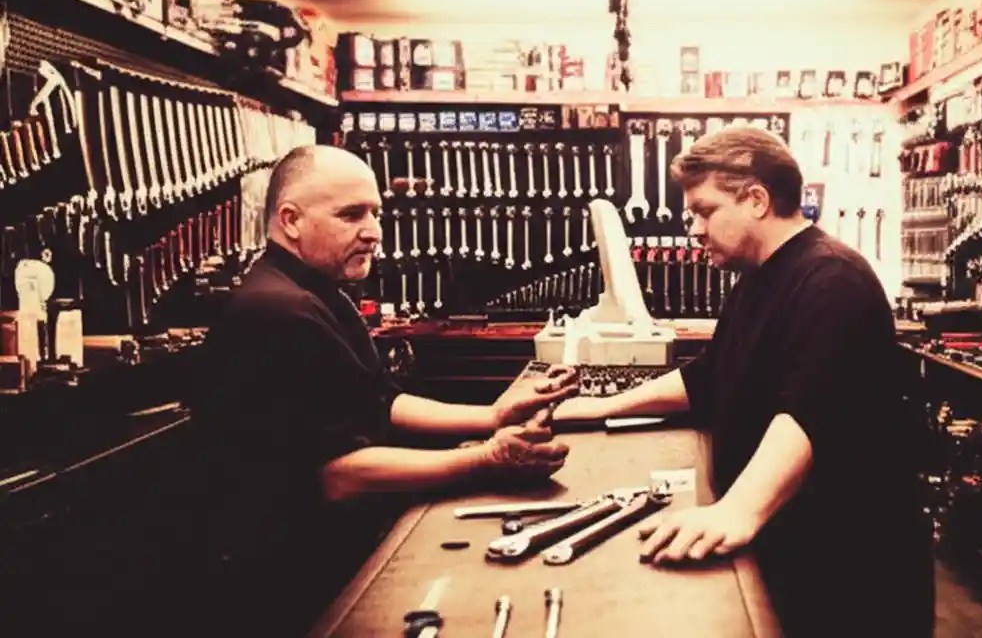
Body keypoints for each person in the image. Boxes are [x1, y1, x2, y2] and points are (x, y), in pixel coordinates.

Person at [553, 126, 934, 636]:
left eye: (704, 210)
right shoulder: (757, 278)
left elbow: (809, 413)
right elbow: (709, 376)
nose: (693, 228)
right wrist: (600, 407)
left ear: (756, 199)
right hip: (789, 545)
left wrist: (737, 509)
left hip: (846, 567)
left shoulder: (833, 280)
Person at [186, 145, 577, 635]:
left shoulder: (319, 295)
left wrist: (493, 416)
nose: (373, 231)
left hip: (320, 552)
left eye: (376, 213)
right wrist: (486, 459)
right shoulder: (278, 312)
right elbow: (338, 474)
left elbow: (380, 402)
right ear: (290, 220)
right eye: (351, 215)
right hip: (287, 585)